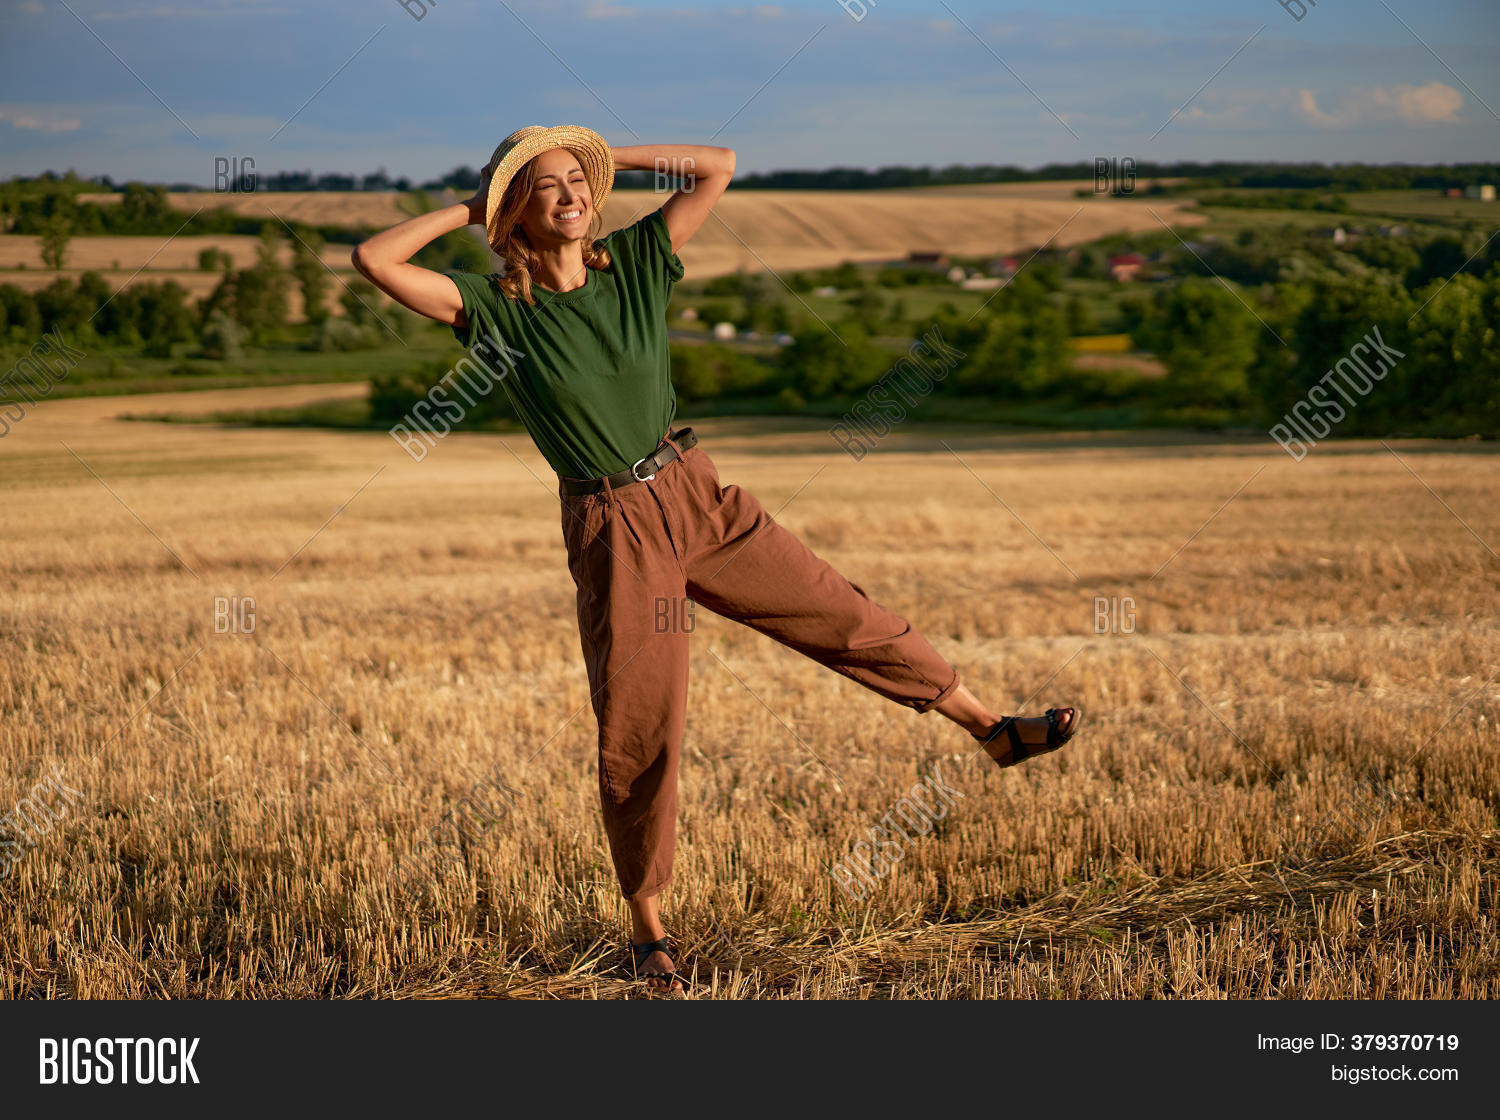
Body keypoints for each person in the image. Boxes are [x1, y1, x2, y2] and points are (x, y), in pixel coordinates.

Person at [352, 125, 1082, 995]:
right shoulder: (499, 308)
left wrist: (595, 157)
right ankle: (647, 924)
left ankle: (992, 729)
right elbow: (374, 257)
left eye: (577, 183)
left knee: (840, 611)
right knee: (642, 718)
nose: (571, 195)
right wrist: (479, 205)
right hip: (613, 524)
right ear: (515, 211)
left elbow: (719, 166)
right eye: (545, 188)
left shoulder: (635, 263)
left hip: (696, 492)